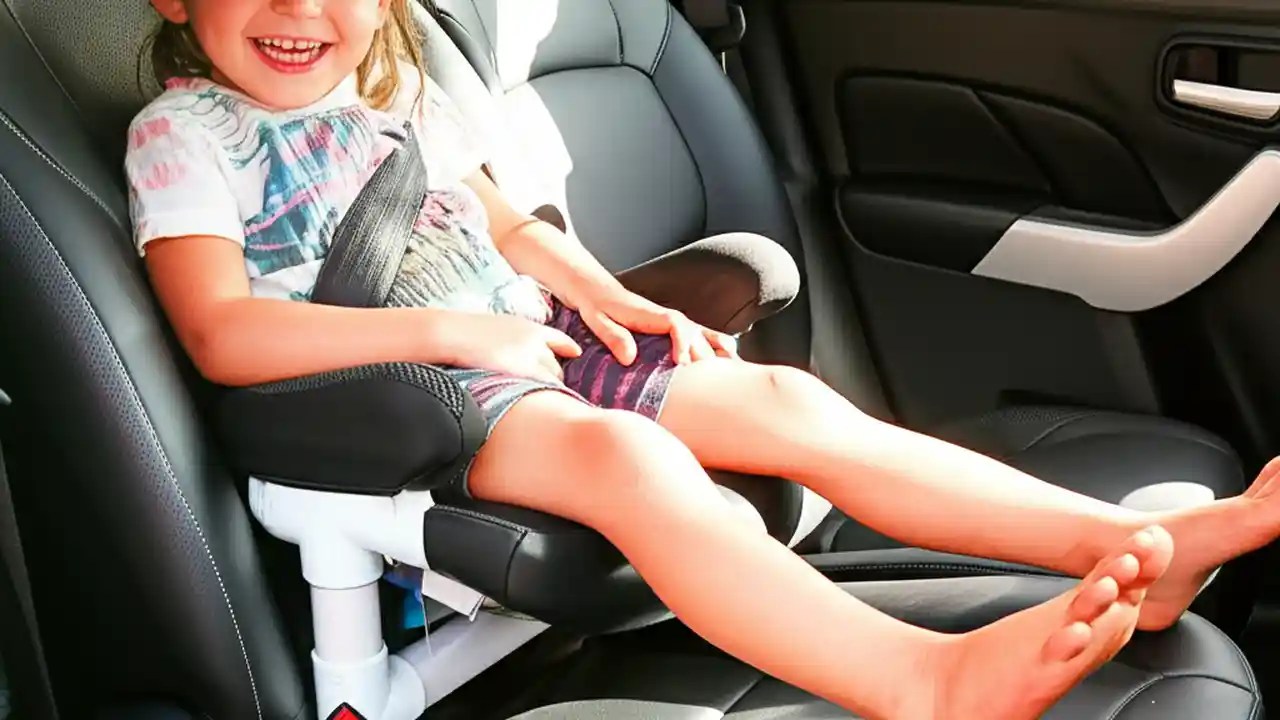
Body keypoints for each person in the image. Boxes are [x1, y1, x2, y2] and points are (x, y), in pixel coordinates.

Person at [125, 1, 1280, 717]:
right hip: (409, 393)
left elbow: (515, 231)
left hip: (529, 343)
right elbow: (222, 333)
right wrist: (449, 333)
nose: (299, 8)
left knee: (781, 396)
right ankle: (918, 684)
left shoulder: (403, 102)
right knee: (630, 463)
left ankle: (1136, 546)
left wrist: (622, 305)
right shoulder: (184, 135)